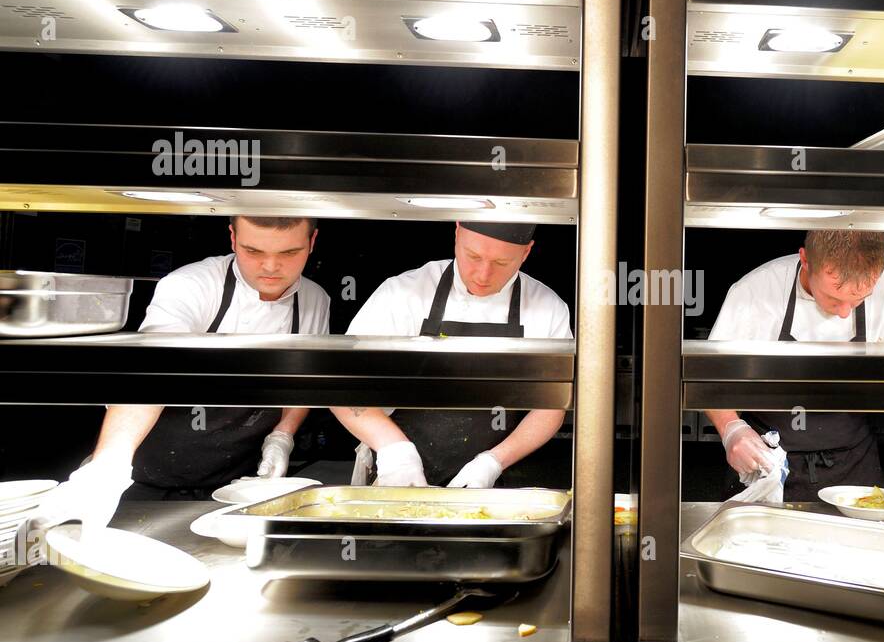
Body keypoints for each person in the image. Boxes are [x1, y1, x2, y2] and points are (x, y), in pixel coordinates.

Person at [28, 216, 330, 534]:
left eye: (288, 253)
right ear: (232, 238)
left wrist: (282, 436)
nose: (270, 267)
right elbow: (150, 373)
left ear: (312, 243)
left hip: (233, 490)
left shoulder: (315, 301)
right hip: (136, 482)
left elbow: (302, 384)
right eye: (253, 251)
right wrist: (108, 467)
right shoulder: (191, 285)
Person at [704, 230, 884, 523]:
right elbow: (711, 379)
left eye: (860, 299)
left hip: (854, 466)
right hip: (763, 462)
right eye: (835, 298)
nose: (846, 313)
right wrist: (732, 428)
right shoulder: (756, 291)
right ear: (805, 260)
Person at [333, 221, 572, 488]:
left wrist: (493, 462)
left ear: (526, 252)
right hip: (394, 478)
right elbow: (342, 384)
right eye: (473, 256)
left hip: (495, 482)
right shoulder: (404, 293)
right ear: (457, 232)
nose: (483, 274)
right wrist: (394, 449)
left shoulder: (548, 308)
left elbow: (551, 407)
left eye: (502, 263)